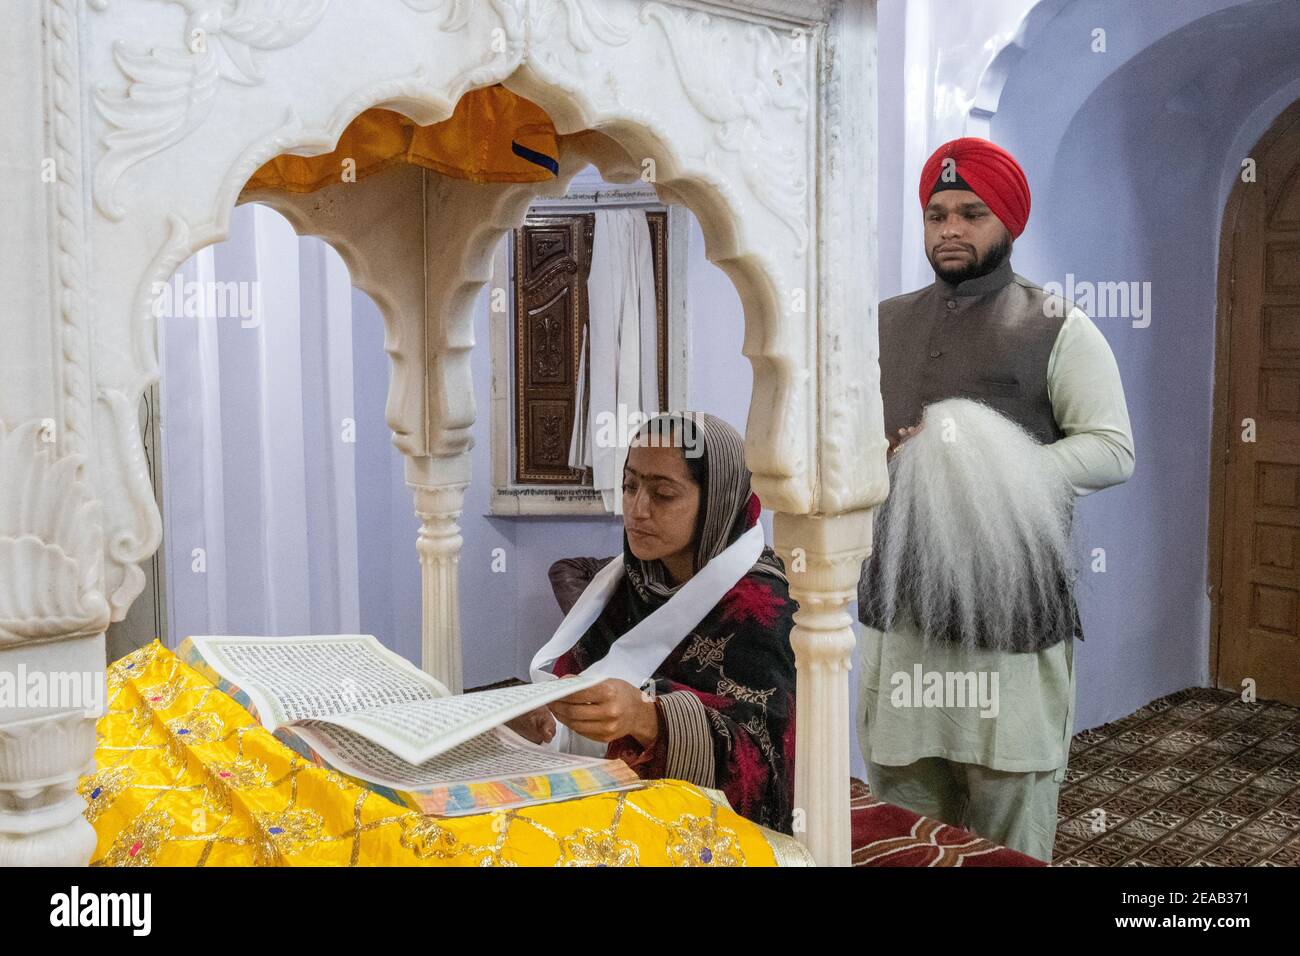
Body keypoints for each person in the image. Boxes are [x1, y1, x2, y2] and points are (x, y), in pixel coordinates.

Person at [855, 136, 1135, 861]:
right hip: (901, 611)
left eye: (971, 213)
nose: (950, 229)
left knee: (1006, 825)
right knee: (903, 823)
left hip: (1009, 625)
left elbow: (1111, 449)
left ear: (1007, 222)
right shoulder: (877, 325)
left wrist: (974, 454)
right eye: (936, 214)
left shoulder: (1058, 326)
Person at [511, 411, 798, 833]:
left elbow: (765, 770)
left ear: (716, 500)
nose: (637, 510)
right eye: (630, 486)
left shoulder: (760, 605)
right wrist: (546, 722)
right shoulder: (632, 581)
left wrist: (649, 720)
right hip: (609, 799)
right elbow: (576, 686)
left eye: (662, 494)